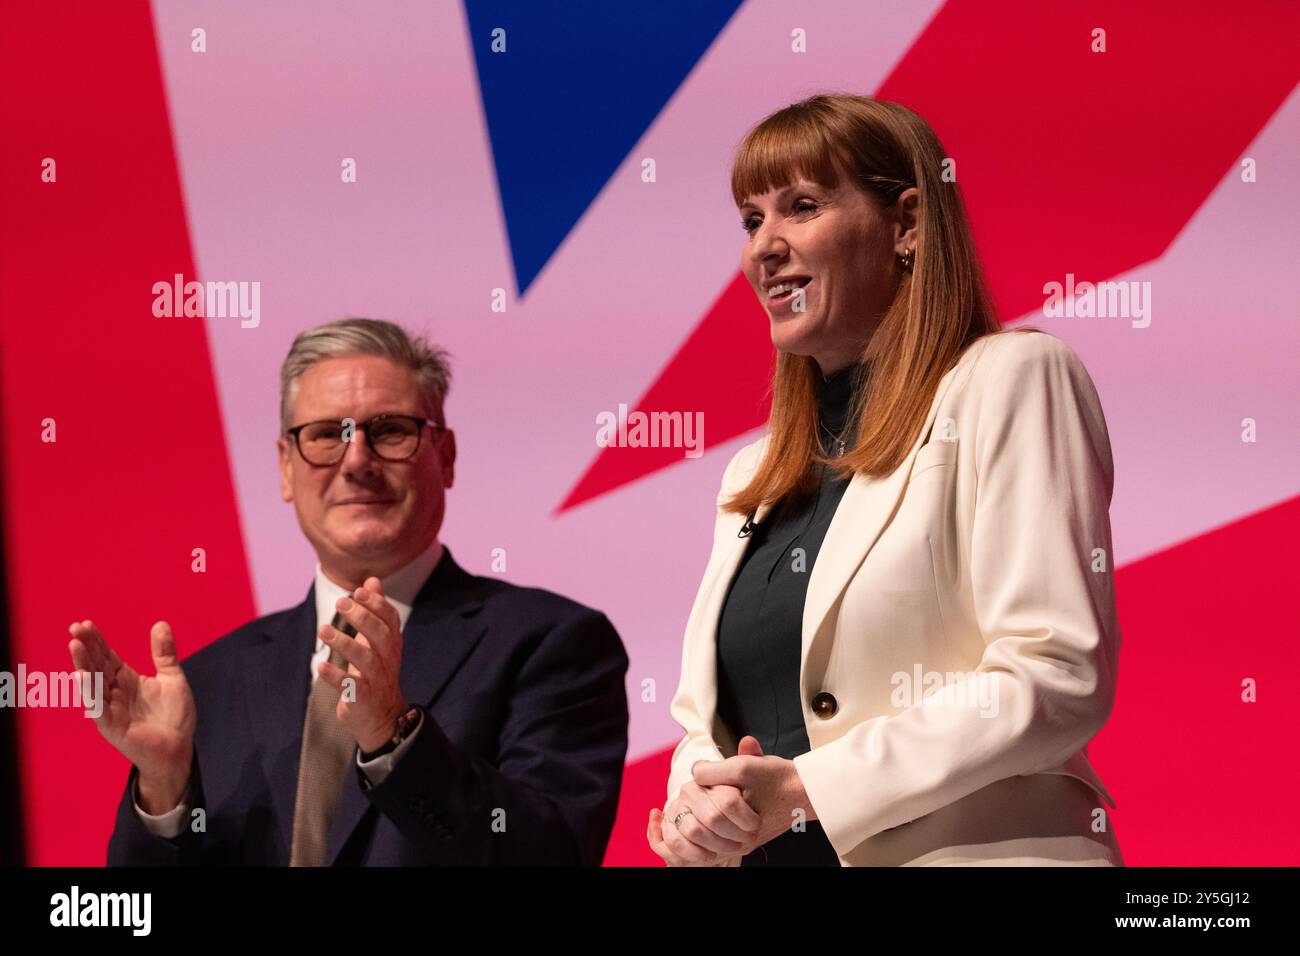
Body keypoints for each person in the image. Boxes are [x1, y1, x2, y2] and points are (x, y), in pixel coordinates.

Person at [648, 94, 1123, 866]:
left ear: (906, 224)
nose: (765, 247)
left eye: (801, 207)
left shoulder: (1011, 379)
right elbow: (701, 722)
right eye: (750, 220)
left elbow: (1055, 671)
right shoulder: (753, 476)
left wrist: (808, 791)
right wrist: (697, 806)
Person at [69, 318, 629, 865]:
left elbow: (553, 853)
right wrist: (165, 788)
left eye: (390, 430)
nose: (357, 459)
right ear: (286, 469)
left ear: (447, 456)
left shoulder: (551, 644)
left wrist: (394, 739)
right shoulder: (210, 681)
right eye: (325, 435)